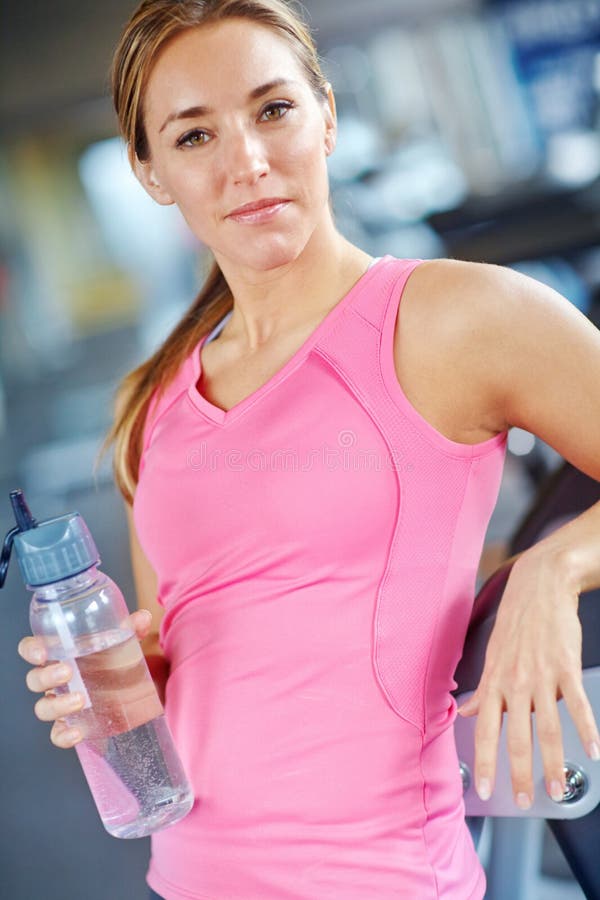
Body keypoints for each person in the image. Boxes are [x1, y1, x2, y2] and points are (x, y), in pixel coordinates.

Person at [17, 1, 600, 898]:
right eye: (194, 135)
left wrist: (551, 569)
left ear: (326, 113)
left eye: (273, 109)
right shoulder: (152, 404)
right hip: (186, 880)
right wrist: (122, 684)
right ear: (152, 171)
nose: (246, 161)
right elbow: (184, 658)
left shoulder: (454, 318)